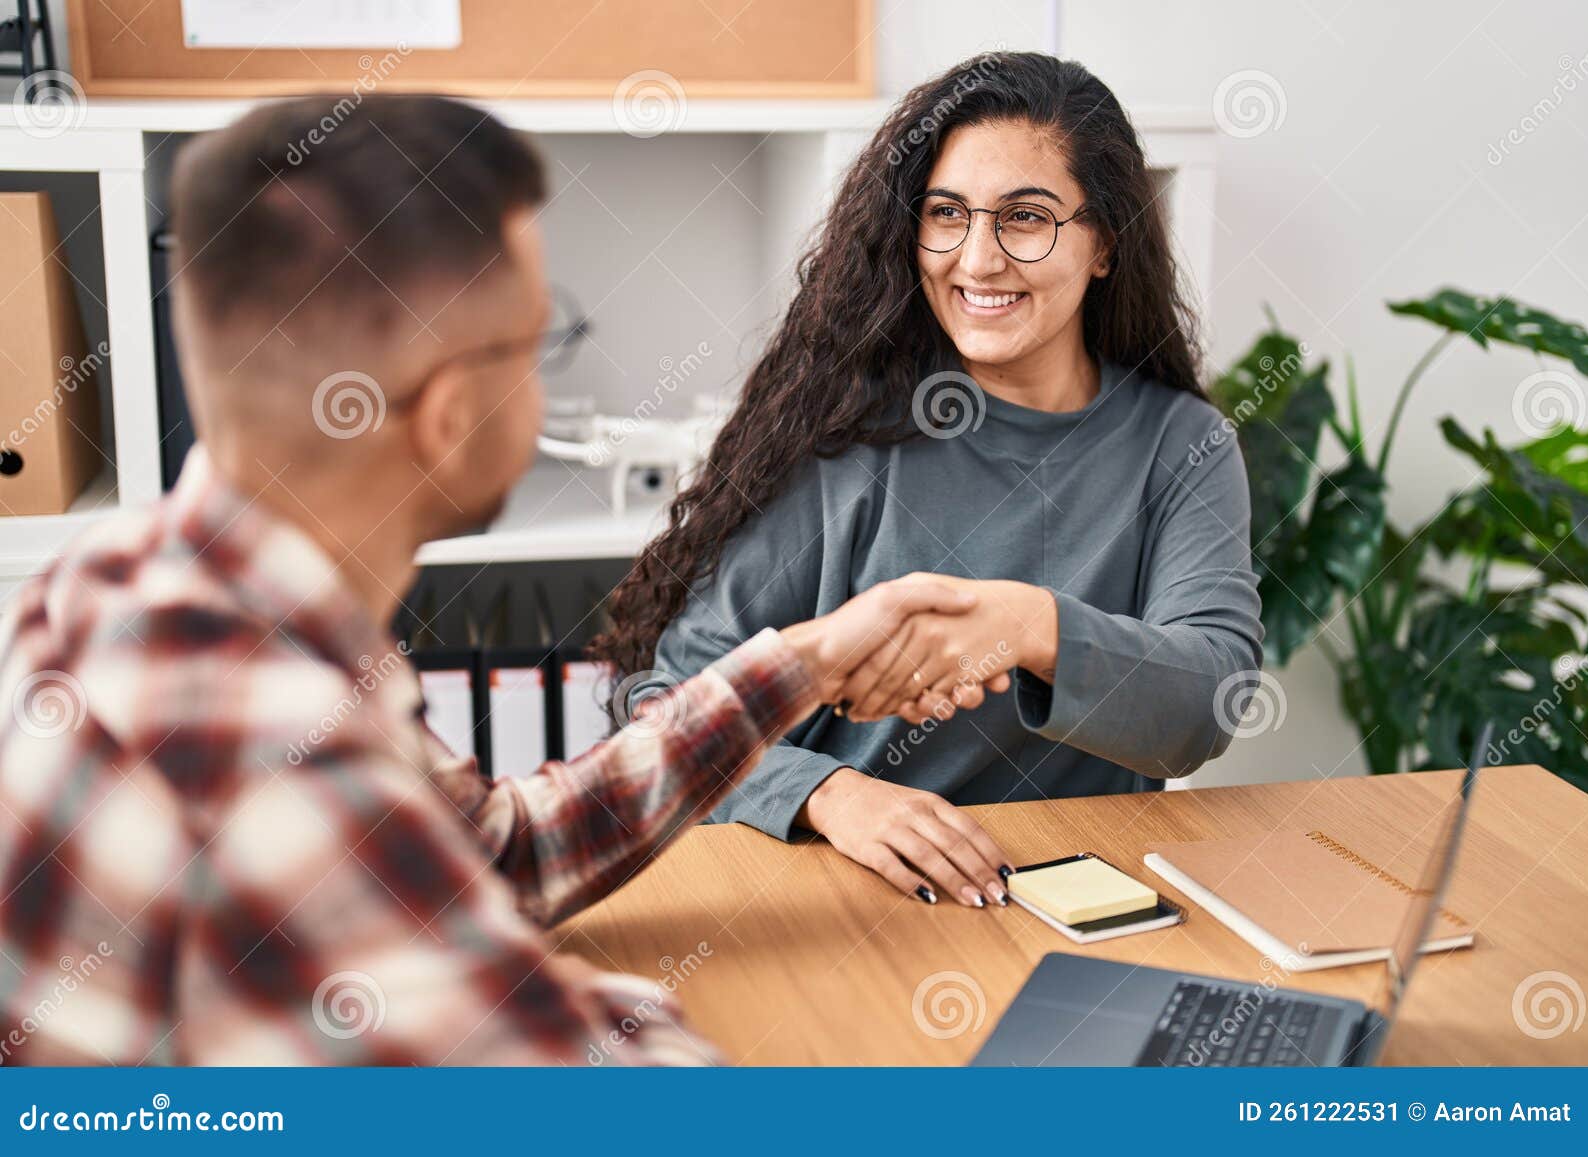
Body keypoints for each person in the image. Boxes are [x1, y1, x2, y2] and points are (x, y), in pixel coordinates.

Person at [0, 94, 1000, 1066]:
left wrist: (804, 662)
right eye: (532, 347)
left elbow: (500, 856)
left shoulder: (117, 584)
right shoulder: (270, 746)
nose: (543, 386)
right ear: (448, 416)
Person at [594, 53, 1264, 908]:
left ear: (1105, 245)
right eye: (946, 214)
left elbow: (1207, 701)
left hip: (1077, 900)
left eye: (1026, 218)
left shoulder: (1182, 445)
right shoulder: (847, 437)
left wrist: (1025, 622)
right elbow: (663, 705)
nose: (977, 260)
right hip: (848, 887)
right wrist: (831, 797)